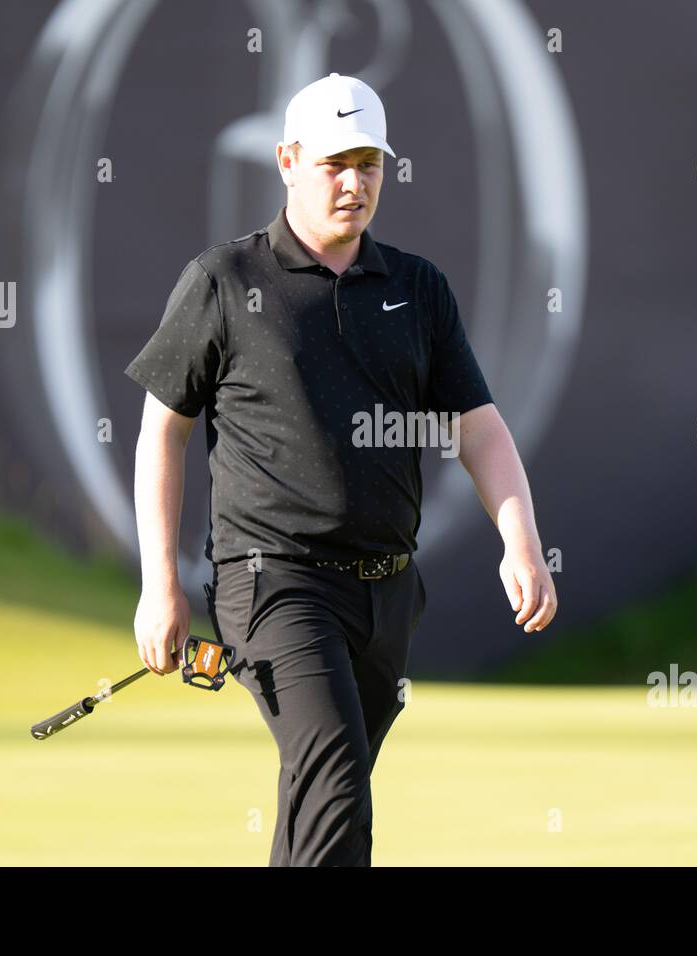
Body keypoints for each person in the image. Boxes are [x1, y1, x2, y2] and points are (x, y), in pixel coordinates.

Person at [124, 73, 557, 866]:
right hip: (273, 584)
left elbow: (480, 429)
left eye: (369, 163)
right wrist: (161, 583)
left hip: (389, 594)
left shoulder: (418, 288)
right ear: (287, 162)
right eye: (333, 164)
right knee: (337, 788)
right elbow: (163, 432)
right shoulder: (226, 282)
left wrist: (520, 539)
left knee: (317, 805)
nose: (354, 183)